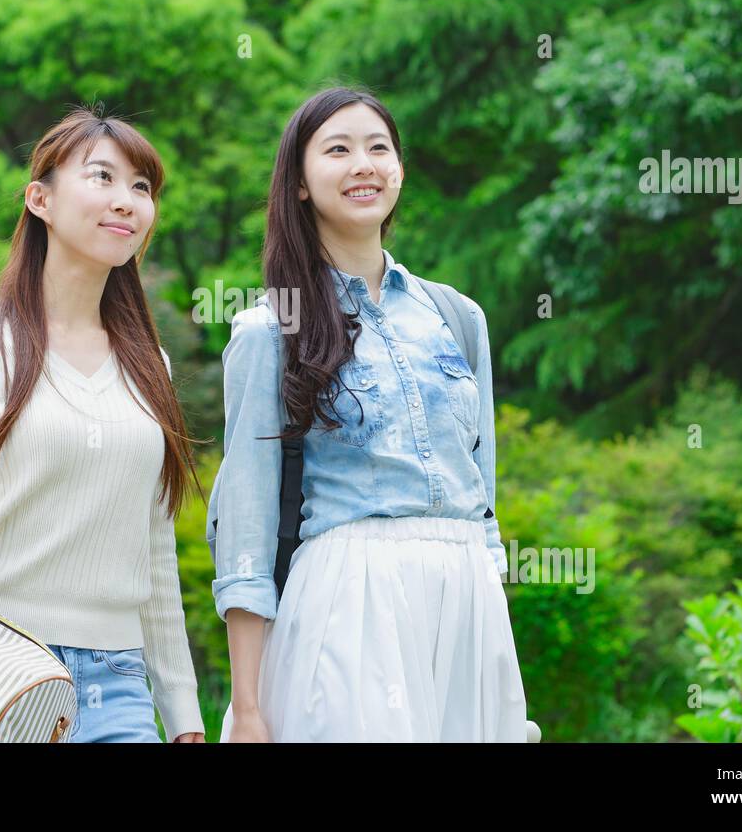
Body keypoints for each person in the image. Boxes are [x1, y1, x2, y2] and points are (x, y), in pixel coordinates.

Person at [208, 86, 528, 742]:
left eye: (379, 148)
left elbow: (484, 499)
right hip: (350, 602)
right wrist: (247, 707)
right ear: (298, 183)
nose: (364, 164)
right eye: (338, 150)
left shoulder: (459, 319)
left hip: (468, 600)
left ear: (400, 171)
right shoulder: (270, 329)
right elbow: (245, 529)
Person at [0, 105, 206, 743]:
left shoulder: (150, 367)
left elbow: (153, 553)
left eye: (142, 187)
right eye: (102, 178)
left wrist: (183, 719)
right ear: (39, 199)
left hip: (118, 685)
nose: (126, 201)